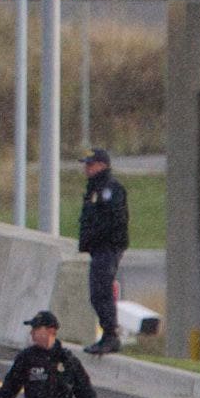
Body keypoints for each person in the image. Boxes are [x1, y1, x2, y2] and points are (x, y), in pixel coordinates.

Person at [75, 147, 130, 356]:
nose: (87, 169)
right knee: (97, 293)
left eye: (91, 164)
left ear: (102, 165)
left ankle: (110, 336)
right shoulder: (95, 188)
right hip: (98, 248)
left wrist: (99, 237)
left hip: (108, 248)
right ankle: (107, 335)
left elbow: (114, 220)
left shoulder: (110, 189)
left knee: (101, 292)